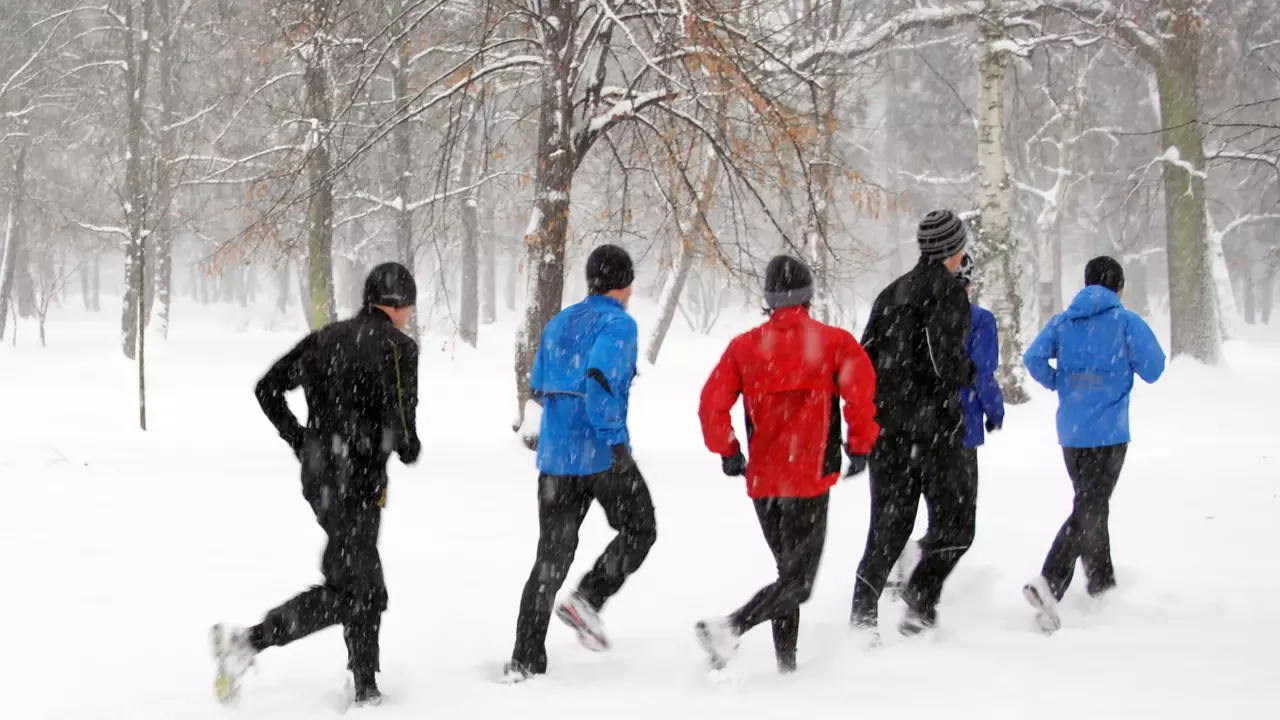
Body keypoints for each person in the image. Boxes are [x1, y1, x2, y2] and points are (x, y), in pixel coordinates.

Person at [210, 262, 422, 707]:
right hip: (360, 483)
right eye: (409, 306)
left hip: (321, 480)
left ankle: (363, 685)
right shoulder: (400, 348)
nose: (410, 315)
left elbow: (268, 388)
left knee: (357, 584)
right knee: (364, 592)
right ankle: (248, 644)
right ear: (399, 304)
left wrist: (302, 440)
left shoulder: (325, 339)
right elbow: (405, 435)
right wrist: (404, 444)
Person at [693, 256, 879, 673]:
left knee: (787, 574)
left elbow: (711, 405)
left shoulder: (745, 347)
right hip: (809, 481)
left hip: (764, 482)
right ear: (808, 295)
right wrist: (860, 445)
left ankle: (786, 667)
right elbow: (861, 395)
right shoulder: (834, 343)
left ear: (768, 298)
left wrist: (729, 451)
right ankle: (731, 626)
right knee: (799, 583)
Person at [503, 244, 657, 683]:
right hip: (601, 454)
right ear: (624, 283)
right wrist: (615, 442)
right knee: (641, 528)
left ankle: (525, 659)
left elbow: (536, 385)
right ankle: (587, 599)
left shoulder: (557, 324)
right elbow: (600, 379)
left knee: (551, 557)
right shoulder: (619, 324)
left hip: (557, 458)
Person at [850, 209, 977, 638]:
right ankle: (920, 605)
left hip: (889, 432)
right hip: (937, 432)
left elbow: (863, 361)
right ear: (952, 249)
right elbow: (946, 364)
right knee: (957, 526)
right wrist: (971, 372)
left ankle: (862, 619)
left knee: (887, 529)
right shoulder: (950, 292)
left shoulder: (890, 293)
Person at [1021, 256, 1165, 633]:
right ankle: (1049, 582)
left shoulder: (1064, 322)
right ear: (1118, 287)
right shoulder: (1125, 322)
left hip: (1071, 434)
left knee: (1090, 504)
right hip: (1110, 433)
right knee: (1091, 504)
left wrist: (1061, 384)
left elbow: (1033, 358)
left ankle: (1102, 584)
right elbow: (1154, 368)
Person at [885, 253, 1004, 597]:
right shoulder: (978, 320)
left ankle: (914, 563)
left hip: (913, 428)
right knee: (958, 520)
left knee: (936, 513)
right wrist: (995, 412)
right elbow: (982, 373)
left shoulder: (913, 313)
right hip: (958, 428)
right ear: (968, 283)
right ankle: (921, 586)